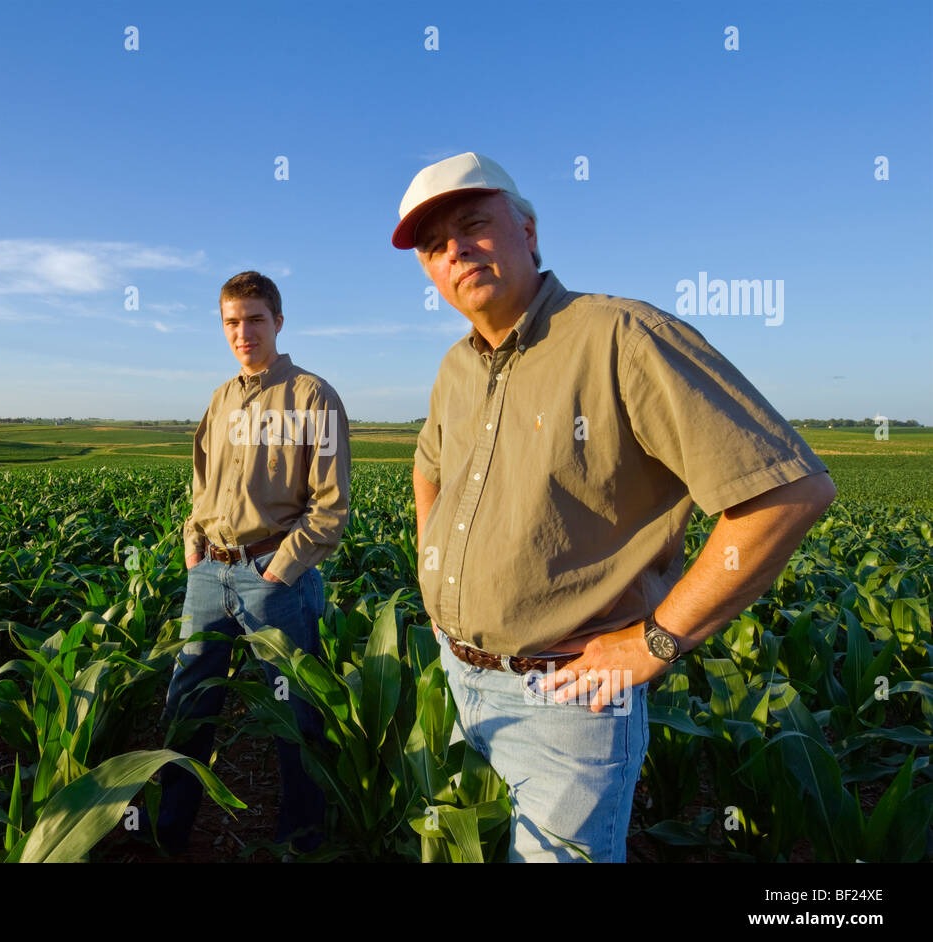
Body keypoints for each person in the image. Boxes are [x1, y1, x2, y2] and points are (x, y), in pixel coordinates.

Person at [395, 151, 836, 862]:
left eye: (474, 224)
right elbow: (429, 469)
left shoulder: (622, 339)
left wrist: (656, 638)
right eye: (434, 247)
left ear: (529, 232)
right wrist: (434, 575)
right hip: (459, 675)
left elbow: (787, 492)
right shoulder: (457, 366)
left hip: (567, 703)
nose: (456, 252)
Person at [152, 270, 351, 855]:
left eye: (255, 319)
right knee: (187, 704)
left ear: (278, 322)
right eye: (232, 322)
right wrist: (193, 543)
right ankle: (170, 835)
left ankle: (300, 842)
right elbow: (202, 485)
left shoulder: (314, 396)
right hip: (207, 575)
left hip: (273, 580)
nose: (243, 332)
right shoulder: (220, 398)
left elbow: (330, 507)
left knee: (297, 718)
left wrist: (278, 570)